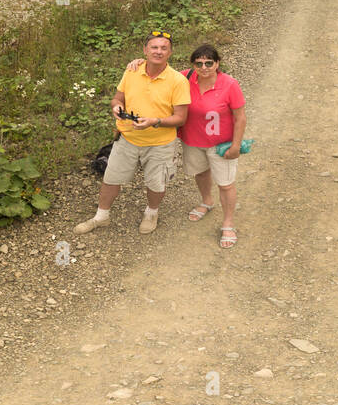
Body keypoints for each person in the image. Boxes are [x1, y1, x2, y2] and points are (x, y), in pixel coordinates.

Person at [75, 32, 191, 235]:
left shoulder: (178, 81)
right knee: (111, 178)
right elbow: (117, 98)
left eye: (164, 48)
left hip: (160, 143)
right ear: (145, 50)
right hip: (127, 138)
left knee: (156, 183)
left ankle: (151, 213)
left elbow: (181, 118)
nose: (158, 51)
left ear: (170, 52)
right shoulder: (132, 71)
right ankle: (101, 217)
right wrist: (117, 107)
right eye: (154, 47)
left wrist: (154, 122)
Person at [177, 43, 246, 247]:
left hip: (220, 144)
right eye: (199, 63)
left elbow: (240, 118)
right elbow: (161, 72)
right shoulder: (185, 78)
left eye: (209, 62)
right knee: (201, 172)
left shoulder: (230, 84)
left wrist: (236, 145)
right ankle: (207, 201)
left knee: (225, 183)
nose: (204, 67)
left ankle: (228, 223)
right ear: (193, 65)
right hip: (192, 140)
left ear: (217, 63)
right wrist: (136, 63)